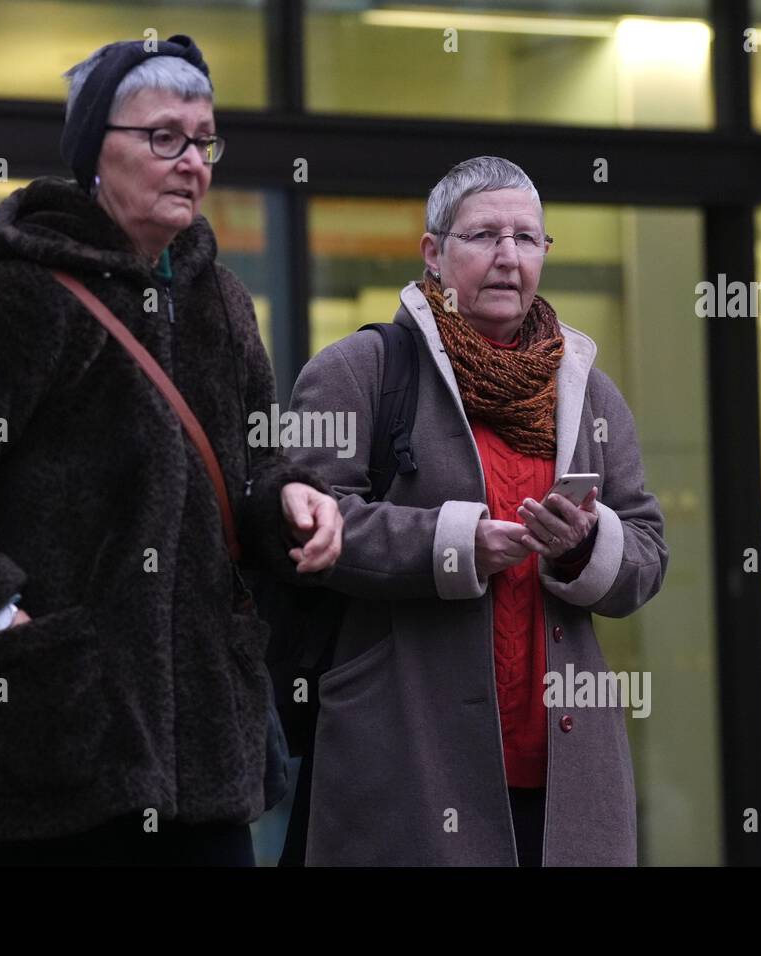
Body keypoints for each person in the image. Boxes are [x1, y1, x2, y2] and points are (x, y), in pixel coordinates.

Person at [0, 34, 341, 867]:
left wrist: (288, 500)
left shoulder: (219, 299)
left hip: (205, 754)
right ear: (93, 155)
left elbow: (255, 462)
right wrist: (5, 623)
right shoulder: (25, 298)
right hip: (60, 741)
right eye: (163, 137)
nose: (191, 160)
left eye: (205, 138)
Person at [285, 156, 667, 866]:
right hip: (409, 762)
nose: (508, 258)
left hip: (565, 779)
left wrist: (584, 547)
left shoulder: (590, 391)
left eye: (527, 239)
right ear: (433, 253)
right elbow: (310, 524)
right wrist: (457, 544)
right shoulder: (358, 370)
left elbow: (647, 549)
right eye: (485, 236)